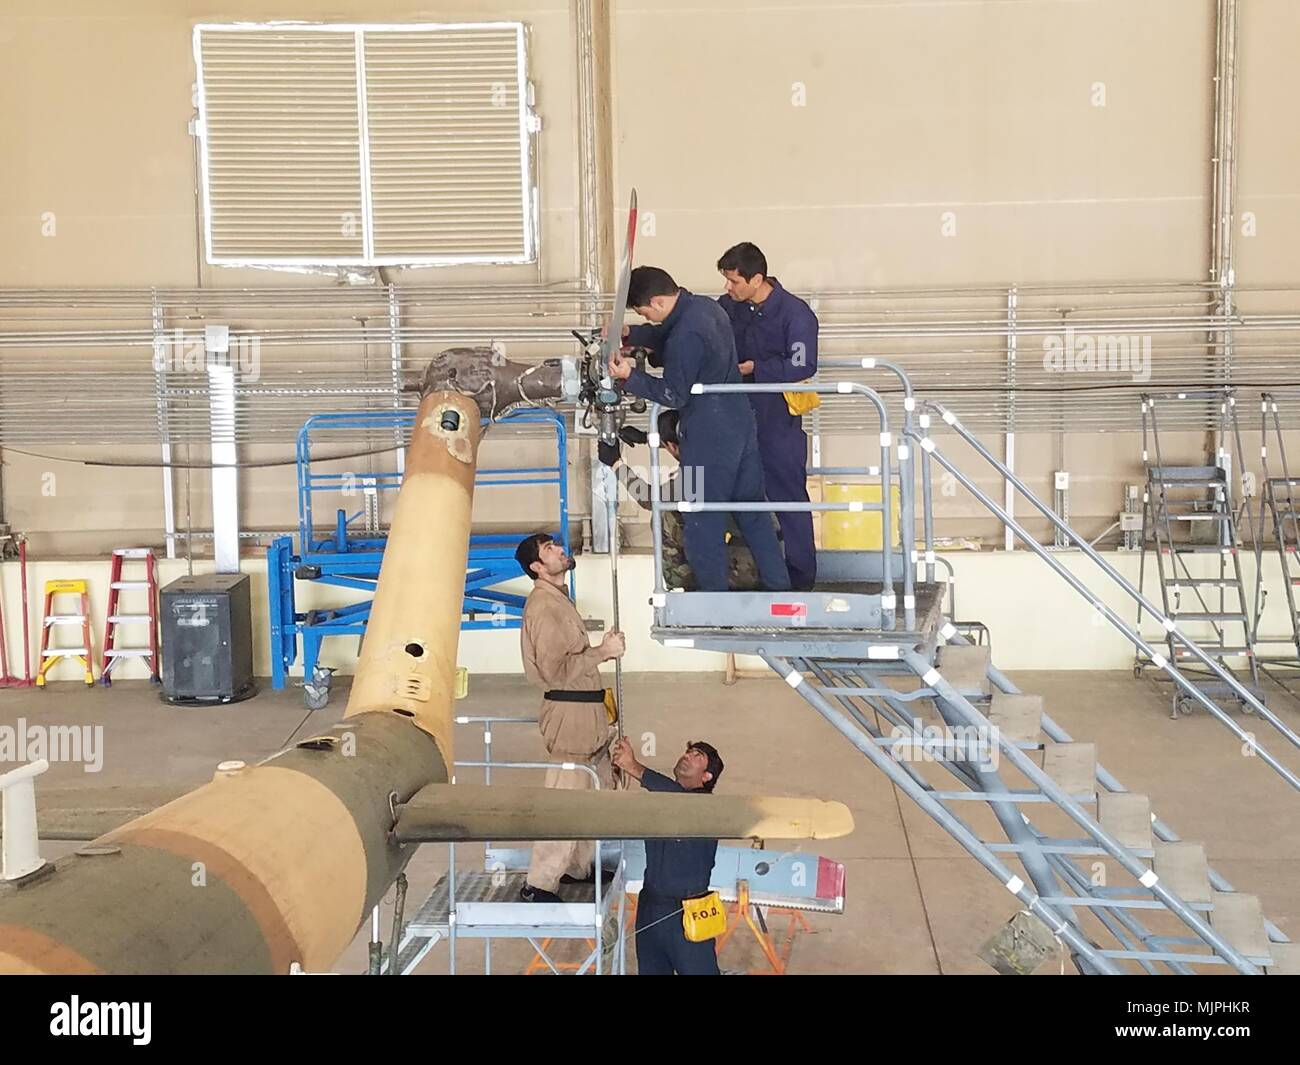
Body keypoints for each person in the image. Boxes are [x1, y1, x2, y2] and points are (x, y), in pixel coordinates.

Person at [608, 265, 790, 593]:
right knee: (753, 513)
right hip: (739, 422)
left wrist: (629, 377)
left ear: (659, 302)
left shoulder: (685, 336)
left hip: (709, 433)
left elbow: (673, 394)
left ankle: (713, 602)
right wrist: (630, 335)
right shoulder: (705, 307)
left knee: (702, 523)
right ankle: (780, 587)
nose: (646, 318)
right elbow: (664, 333)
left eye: (644, 312)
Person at [514, 532, 625, 903]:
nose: (561, 551)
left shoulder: (560, 600)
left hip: (586, 707)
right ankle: (539, 883)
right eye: (550, 550)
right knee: (565, 796)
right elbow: (556, 671)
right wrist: (603, 652)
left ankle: (578, 867)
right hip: (569, 712)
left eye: (557, 547)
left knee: (588, 791)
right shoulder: (544, 608)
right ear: (537, 567)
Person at [717, 242, 820, 591]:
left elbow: (802, 363)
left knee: (788, 497)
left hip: (777, 418)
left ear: (757, 278)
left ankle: (800, 578)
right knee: (738, 496)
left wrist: (756, 368)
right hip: (734, 417)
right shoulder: (730, 308)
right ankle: (752, 572)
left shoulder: (795, 314)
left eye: (734, 281)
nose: (728, 289)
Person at [599, 410, 769, 591]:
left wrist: (616, 463)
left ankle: (682, 580)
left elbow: (648, 498)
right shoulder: (726, 450)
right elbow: (684, 442)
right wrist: (647, 438)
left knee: (665, 514)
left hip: (740, 572)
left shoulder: (696, 474)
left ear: (671, 446)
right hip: (766, 557)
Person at [611, 736, 724, 976]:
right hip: (651, 906)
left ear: (707, 777)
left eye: (697, 756)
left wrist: (633, 766)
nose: (687, 756)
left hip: (688, 911)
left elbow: (678, 800)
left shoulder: (706, 809)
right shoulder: (662, 802)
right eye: (688, 751)